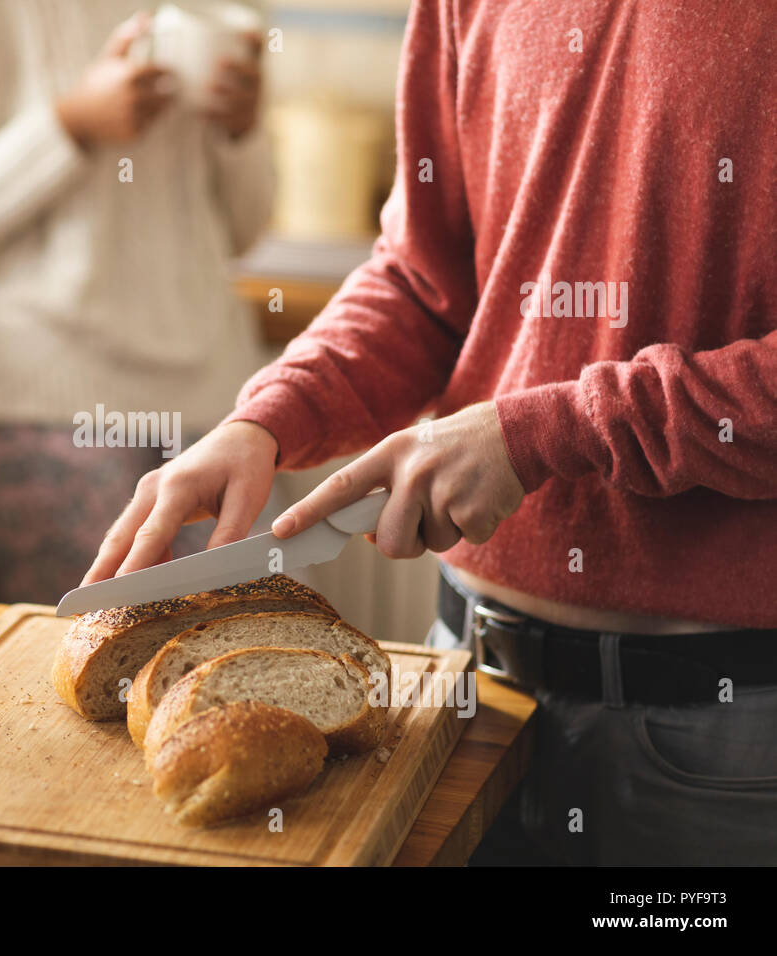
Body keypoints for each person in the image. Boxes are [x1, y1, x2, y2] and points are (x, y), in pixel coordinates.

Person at [84, 0, 777, 865]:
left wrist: (547, 432)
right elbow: (423, 277)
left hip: (727, 741)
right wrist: (271, 417)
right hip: (467, 689)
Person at [0, 1, 273, 604]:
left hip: (212, 397)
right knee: (111, 664)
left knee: (274, 651)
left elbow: (246, 228)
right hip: (41, 404)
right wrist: (71, 125)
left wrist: (242, 131)